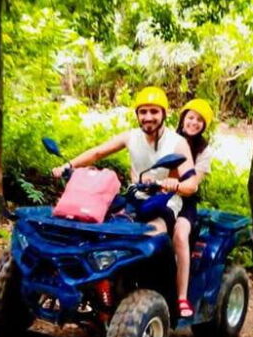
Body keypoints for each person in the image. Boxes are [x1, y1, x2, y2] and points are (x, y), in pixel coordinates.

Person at [52, 86, 198, 237]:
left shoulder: (178, 143)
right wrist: (67, 166)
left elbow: (192, 185)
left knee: (148, 238)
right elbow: (97, 152)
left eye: (154, 111)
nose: (148, 117)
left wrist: (174, 185)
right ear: (137, 115)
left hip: (164, 203)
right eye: (143, 112)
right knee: (101, 232)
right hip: (135, 199)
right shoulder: (130, 137)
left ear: (164, 114)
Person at [172, 99, 214, 318]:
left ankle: (181, 296)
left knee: (180, 235)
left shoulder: (204, 151)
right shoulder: (168, 138)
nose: (194, 122)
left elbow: (193, 182)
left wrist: (177, 185)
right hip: (158, 197)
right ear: (183, 117)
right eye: (190, 117)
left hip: (185, 201)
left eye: (199, 120)